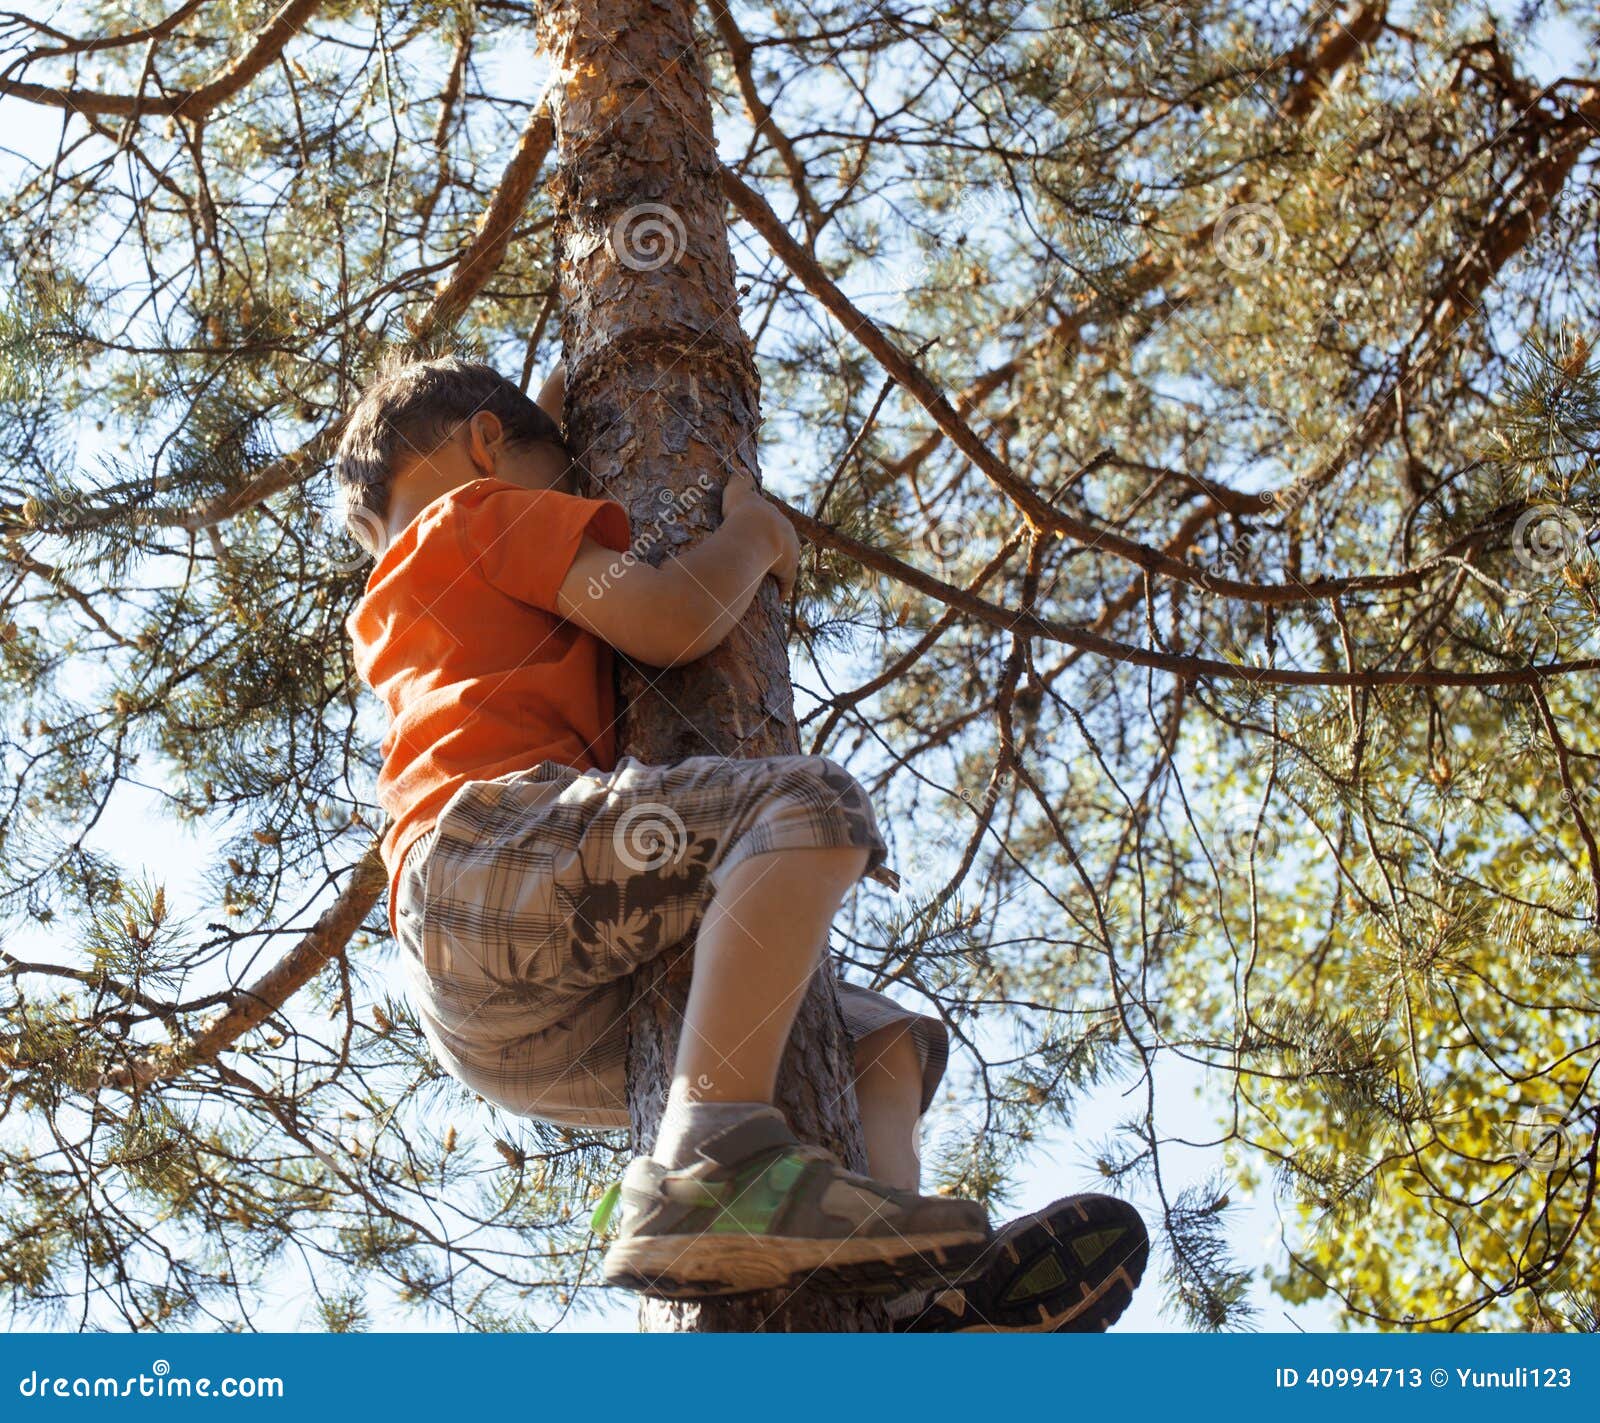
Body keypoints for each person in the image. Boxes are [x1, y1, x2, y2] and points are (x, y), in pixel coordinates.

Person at [339, 354, 1147, 1327]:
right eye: (562, 482)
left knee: (873, 1036)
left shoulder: (413, 596)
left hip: (502, 994)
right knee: (805, 804)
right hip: (488, 858)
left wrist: (541, 423)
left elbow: (514, 471)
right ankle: (712, 1159)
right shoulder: (475, 515)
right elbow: (671, 618)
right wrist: (753, 536)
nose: (574, 507)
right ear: (483, 446)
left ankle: (904, 1298)